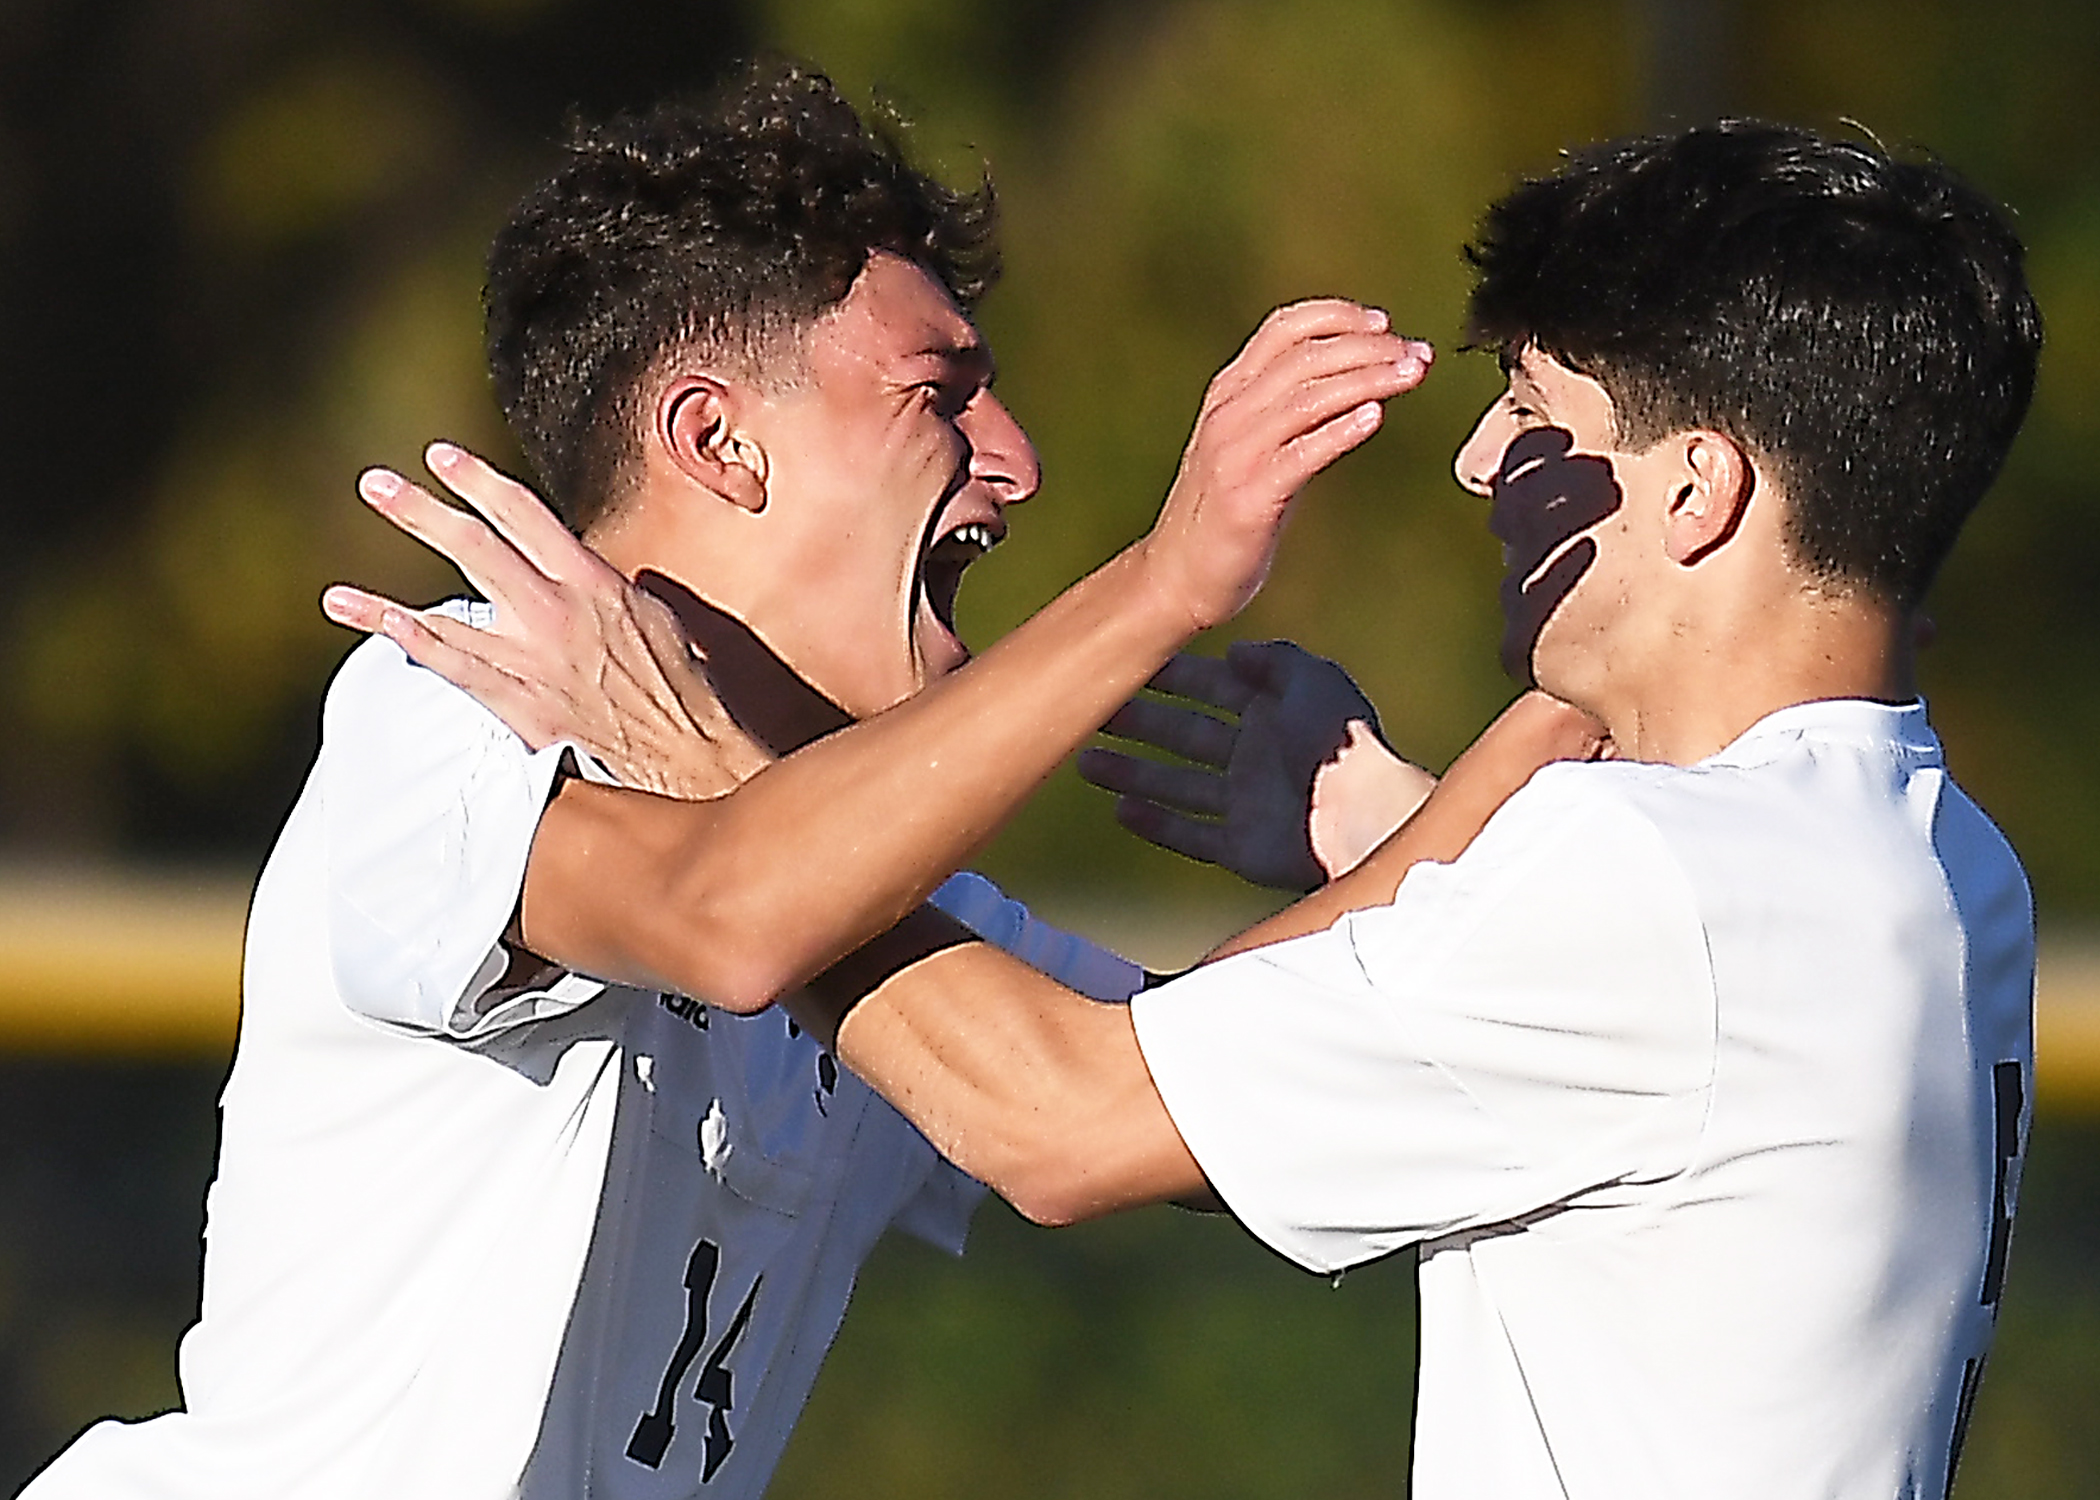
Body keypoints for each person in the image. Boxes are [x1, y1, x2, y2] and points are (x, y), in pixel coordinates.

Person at [337, 120, 2044, 1499]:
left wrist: (1163, 586)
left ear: (1701, 488)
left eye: (1532, 410)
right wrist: (1416, 815)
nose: (1479, 465)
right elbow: (1176, 1065)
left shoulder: (1667, 882)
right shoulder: (1941, 863)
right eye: (942, 391)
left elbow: (1066, 1109)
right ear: (714, 439)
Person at [18, 63, 1431, 1500]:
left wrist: (1485, 780)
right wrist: (1163, 582)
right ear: (716, 441)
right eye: (942, 392)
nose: (1017, 459)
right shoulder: (459, 695)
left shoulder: (865, 868)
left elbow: (1182, 1093)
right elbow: (732, 919)